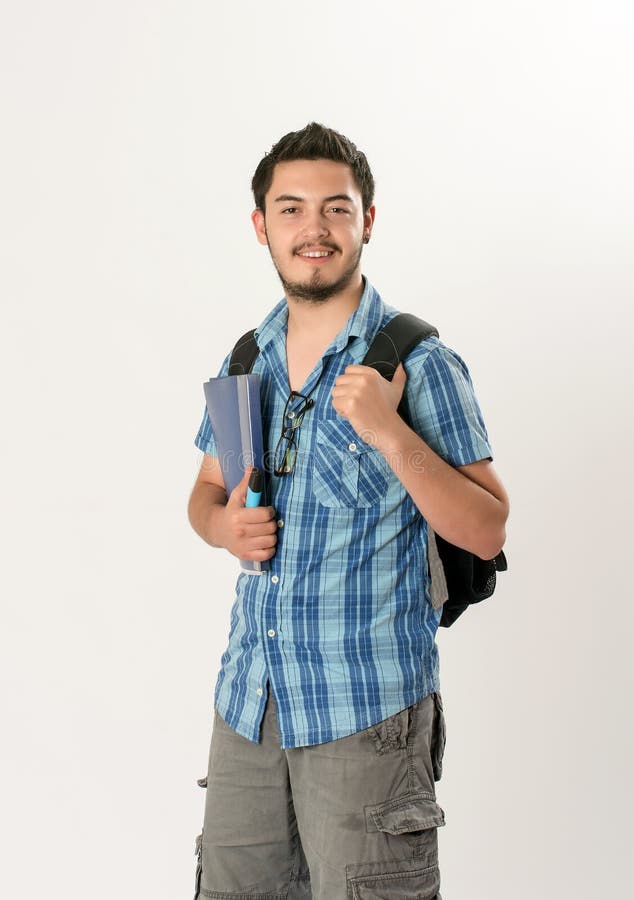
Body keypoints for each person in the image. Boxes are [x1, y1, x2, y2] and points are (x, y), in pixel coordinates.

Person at [188, 122, 509, 900]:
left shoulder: (419, 361)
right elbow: (204, 495)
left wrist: (387, 430)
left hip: (366, 712)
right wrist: (223, 525)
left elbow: (488, 525)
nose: (315, 229)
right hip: (249, 703)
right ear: (262, 226)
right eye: (292, 209)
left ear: (368, 219)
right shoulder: (248, 358)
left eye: (337, 208)